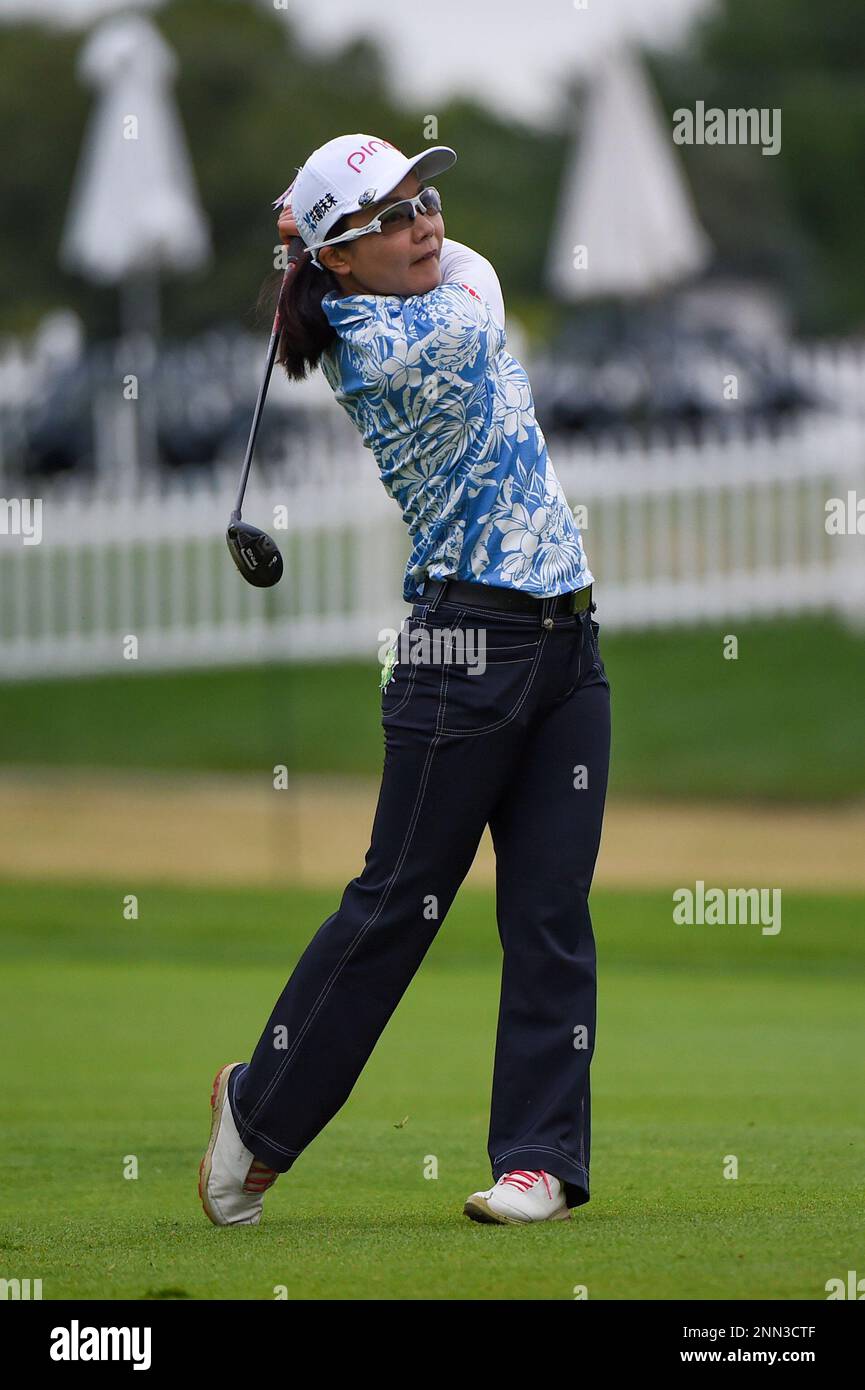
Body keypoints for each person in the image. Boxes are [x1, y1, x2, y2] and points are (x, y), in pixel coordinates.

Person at [199, 133, 611, 1228]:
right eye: (390, 216)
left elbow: (446, 256)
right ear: (336, 258)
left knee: (549, 911)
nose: (426, 221)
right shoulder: (387, 342)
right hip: (462, 650)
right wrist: (313, 237)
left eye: (425, 197)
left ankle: (538, 1162)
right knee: (397, 906)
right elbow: (477, 284)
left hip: (568, 640)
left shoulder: (370, 284)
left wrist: (321, 227)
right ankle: (257, 1108)